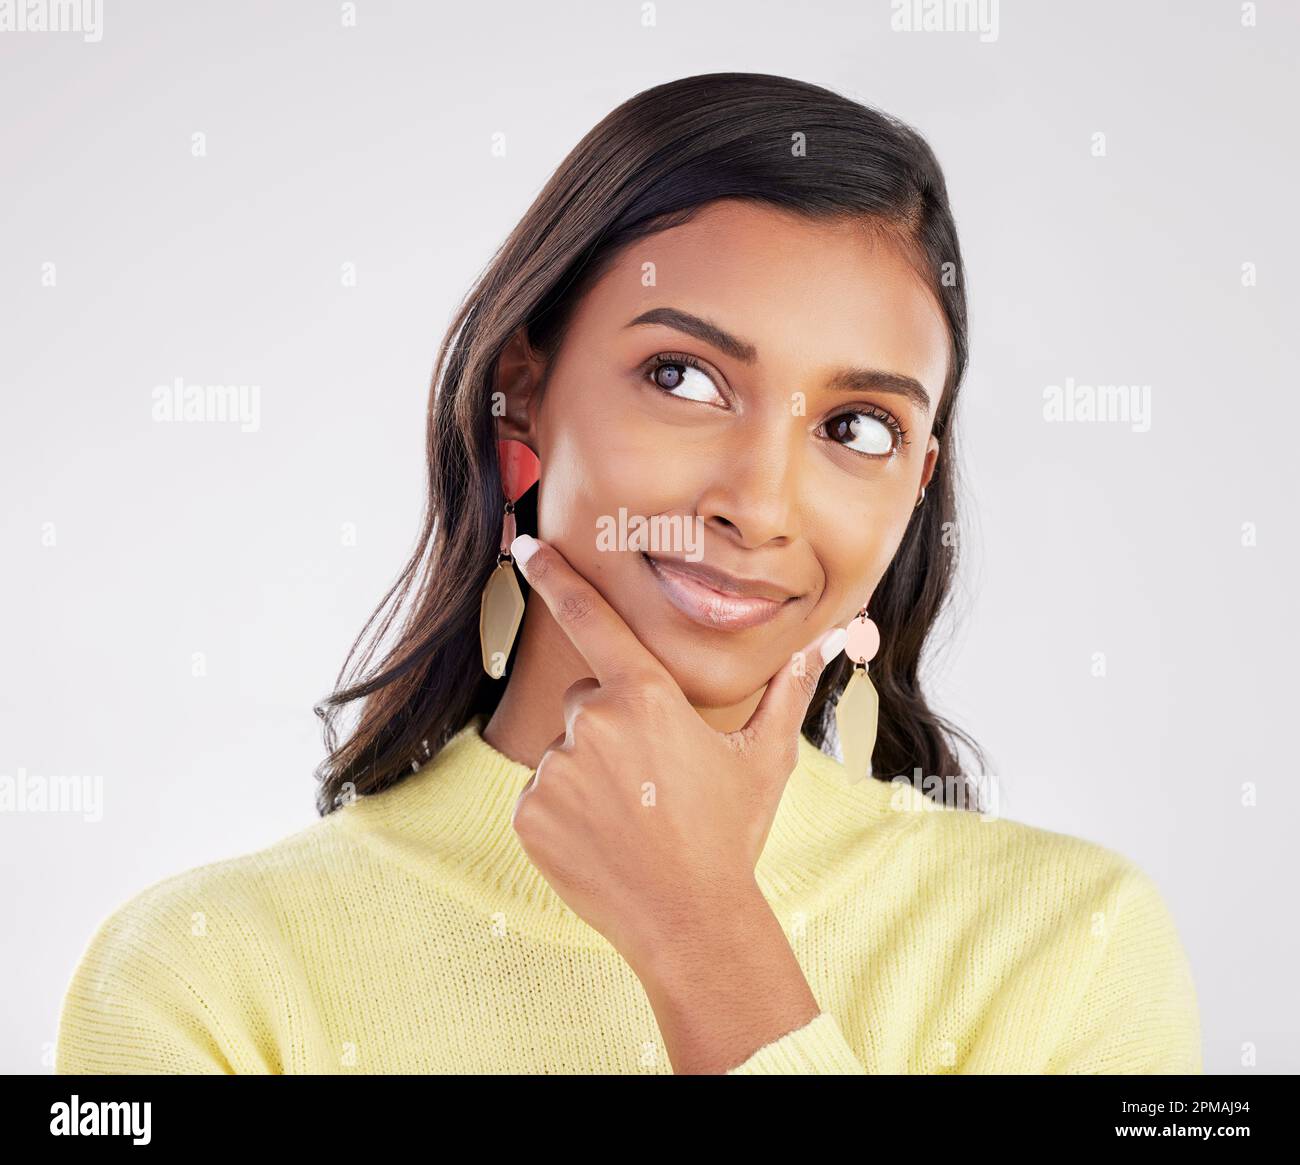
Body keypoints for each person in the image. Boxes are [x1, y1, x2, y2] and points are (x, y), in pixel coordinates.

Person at [55, 72, 1201, 1074]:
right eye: (684, 378)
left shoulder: (1067, 946)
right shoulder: (201, 977)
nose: (757, 503)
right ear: (523, 399)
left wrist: (702, 933)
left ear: (915, 485)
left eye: (855, 428)